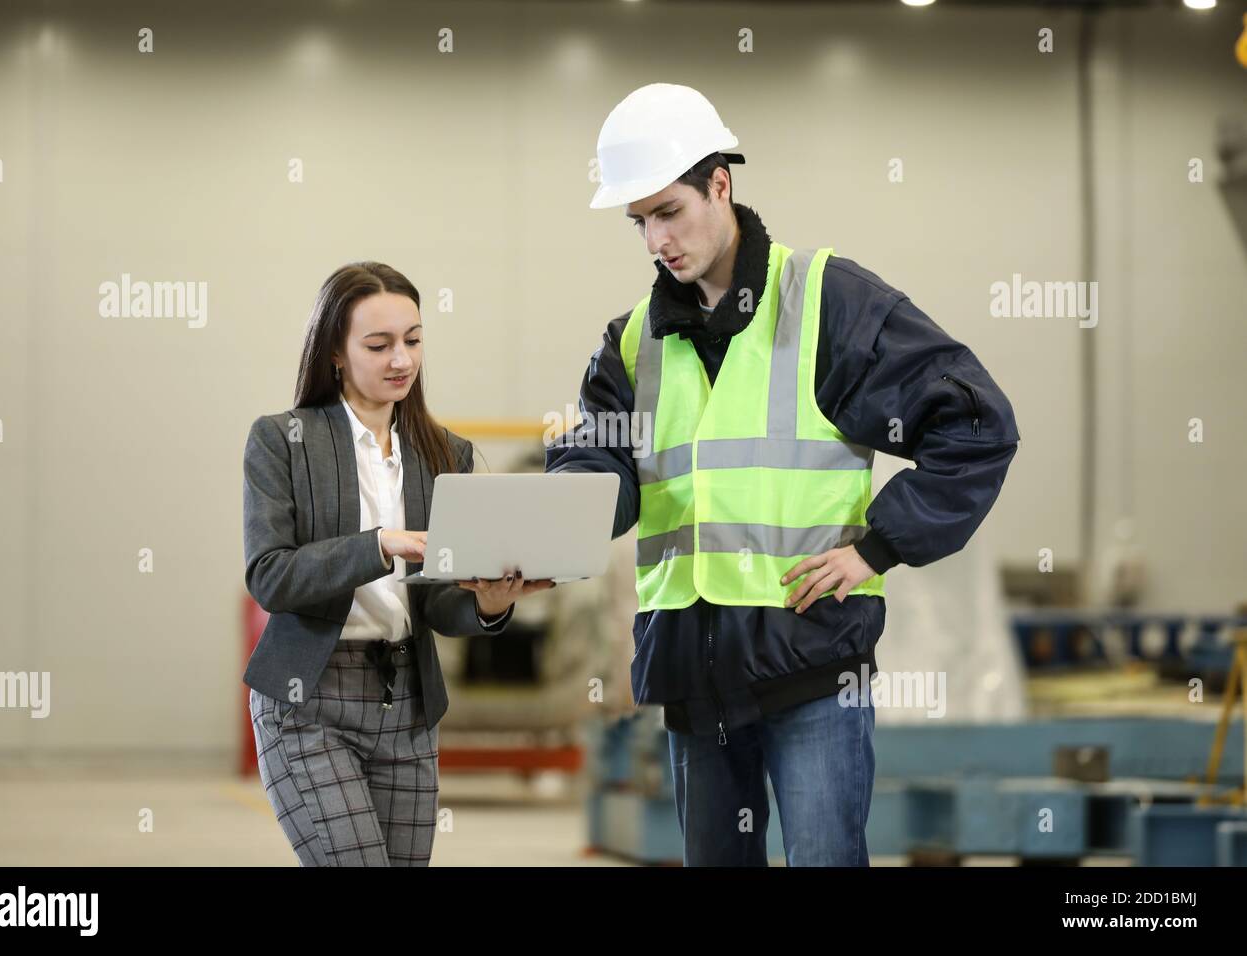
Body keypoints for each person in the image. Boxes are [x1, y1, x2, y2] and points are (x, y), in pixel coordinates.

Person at [546, 83, 1021, 866]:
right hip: (693, 677)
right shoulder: (633, 342)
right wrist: (542, 535)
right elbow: (599, 464)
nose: (655, 240)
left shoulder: (827, 300)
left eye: (669, 211)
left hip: (812, 667)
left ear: (720, 185)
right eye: (639, 222)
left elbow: (975, 422)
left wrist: (877, 548)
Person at [242, 261, 551, 866]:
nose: (401, 359)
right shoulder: (281, 441)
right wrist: (379, 544)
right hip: (309, 701)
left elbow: (437, 602)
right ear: (335, 349)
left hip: (406, 701)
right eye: (379, 345)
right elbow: (271, 576)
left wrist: (491, 601)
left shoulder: (445, 453)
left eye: (412, 340)